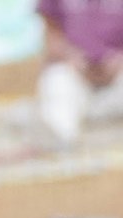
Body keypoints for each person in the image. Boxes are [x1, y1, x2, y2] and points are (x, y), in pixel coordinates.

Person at [35, 0, 123, 146]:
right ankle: (67, 146)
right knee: (57, 79)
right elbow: (50, 32)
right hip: (74, 72)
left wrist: (119, 60)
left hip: (118, 75)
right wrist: (71, 57)